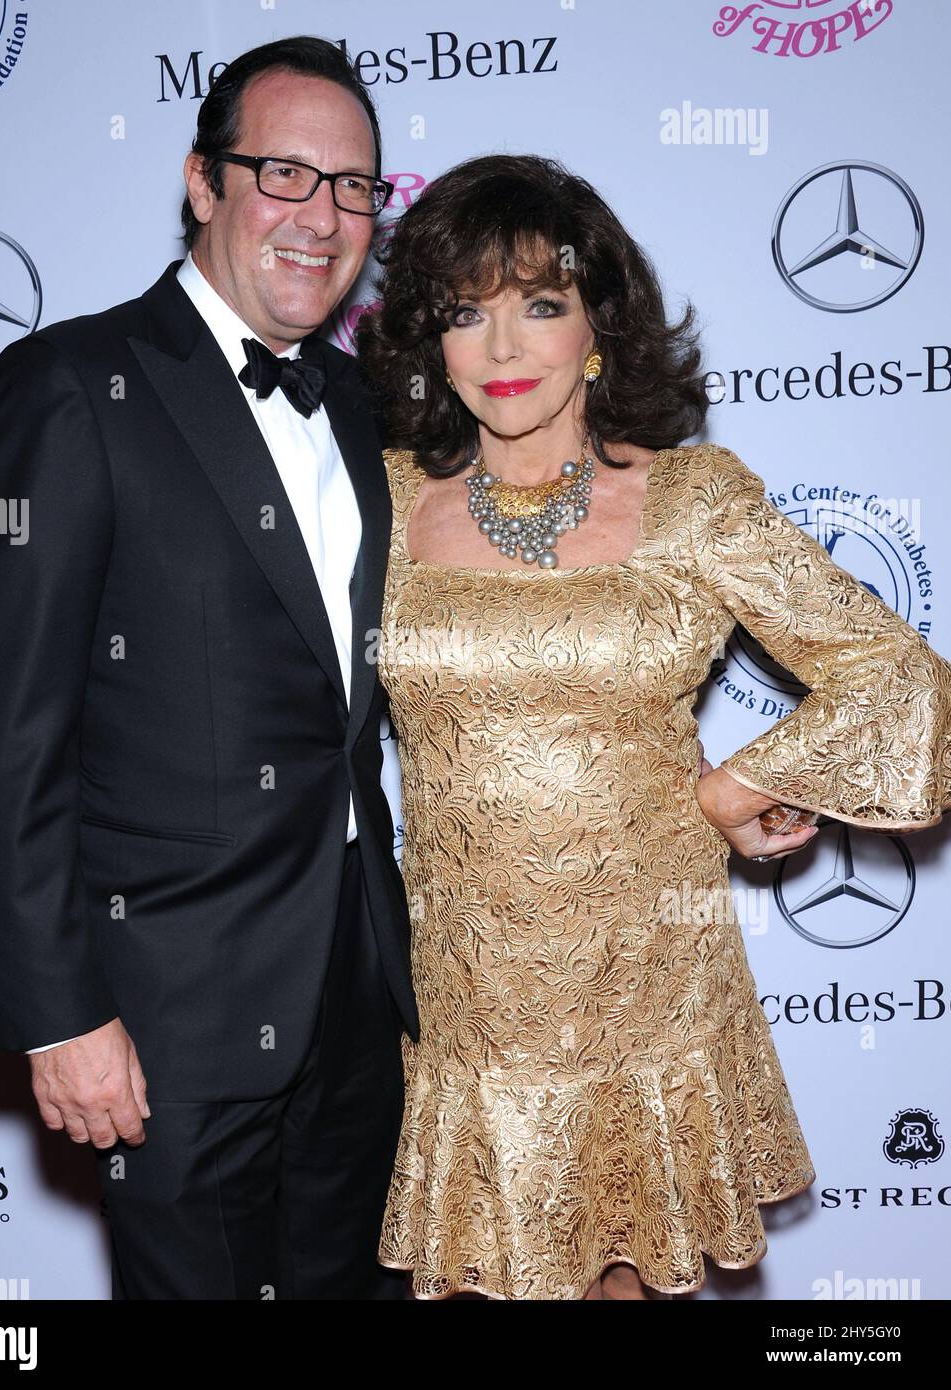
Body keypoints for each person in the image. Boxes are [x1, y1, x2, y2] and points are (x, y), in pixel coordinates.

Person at [355, 152, 951, 1300]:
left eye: (542, 304)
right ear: (430, 342)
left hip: (646, 990)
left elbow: (898, 673)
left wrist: (745, 783)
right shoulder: (375, 500)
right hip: (465, 1002)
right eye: (466, 314)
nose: (504, 348)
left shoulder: (693, 498)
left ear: (599, 323)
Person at [0, 36, 418, 1300]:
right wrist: (58, 1012)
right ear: (203, 182)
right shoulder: (65, 387)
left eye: (355, 185)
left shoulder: (365, 410)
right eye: (284, 174)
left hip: (358, 1011)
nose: (323, 218)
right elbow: (4, 737)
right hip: (166, 1025)